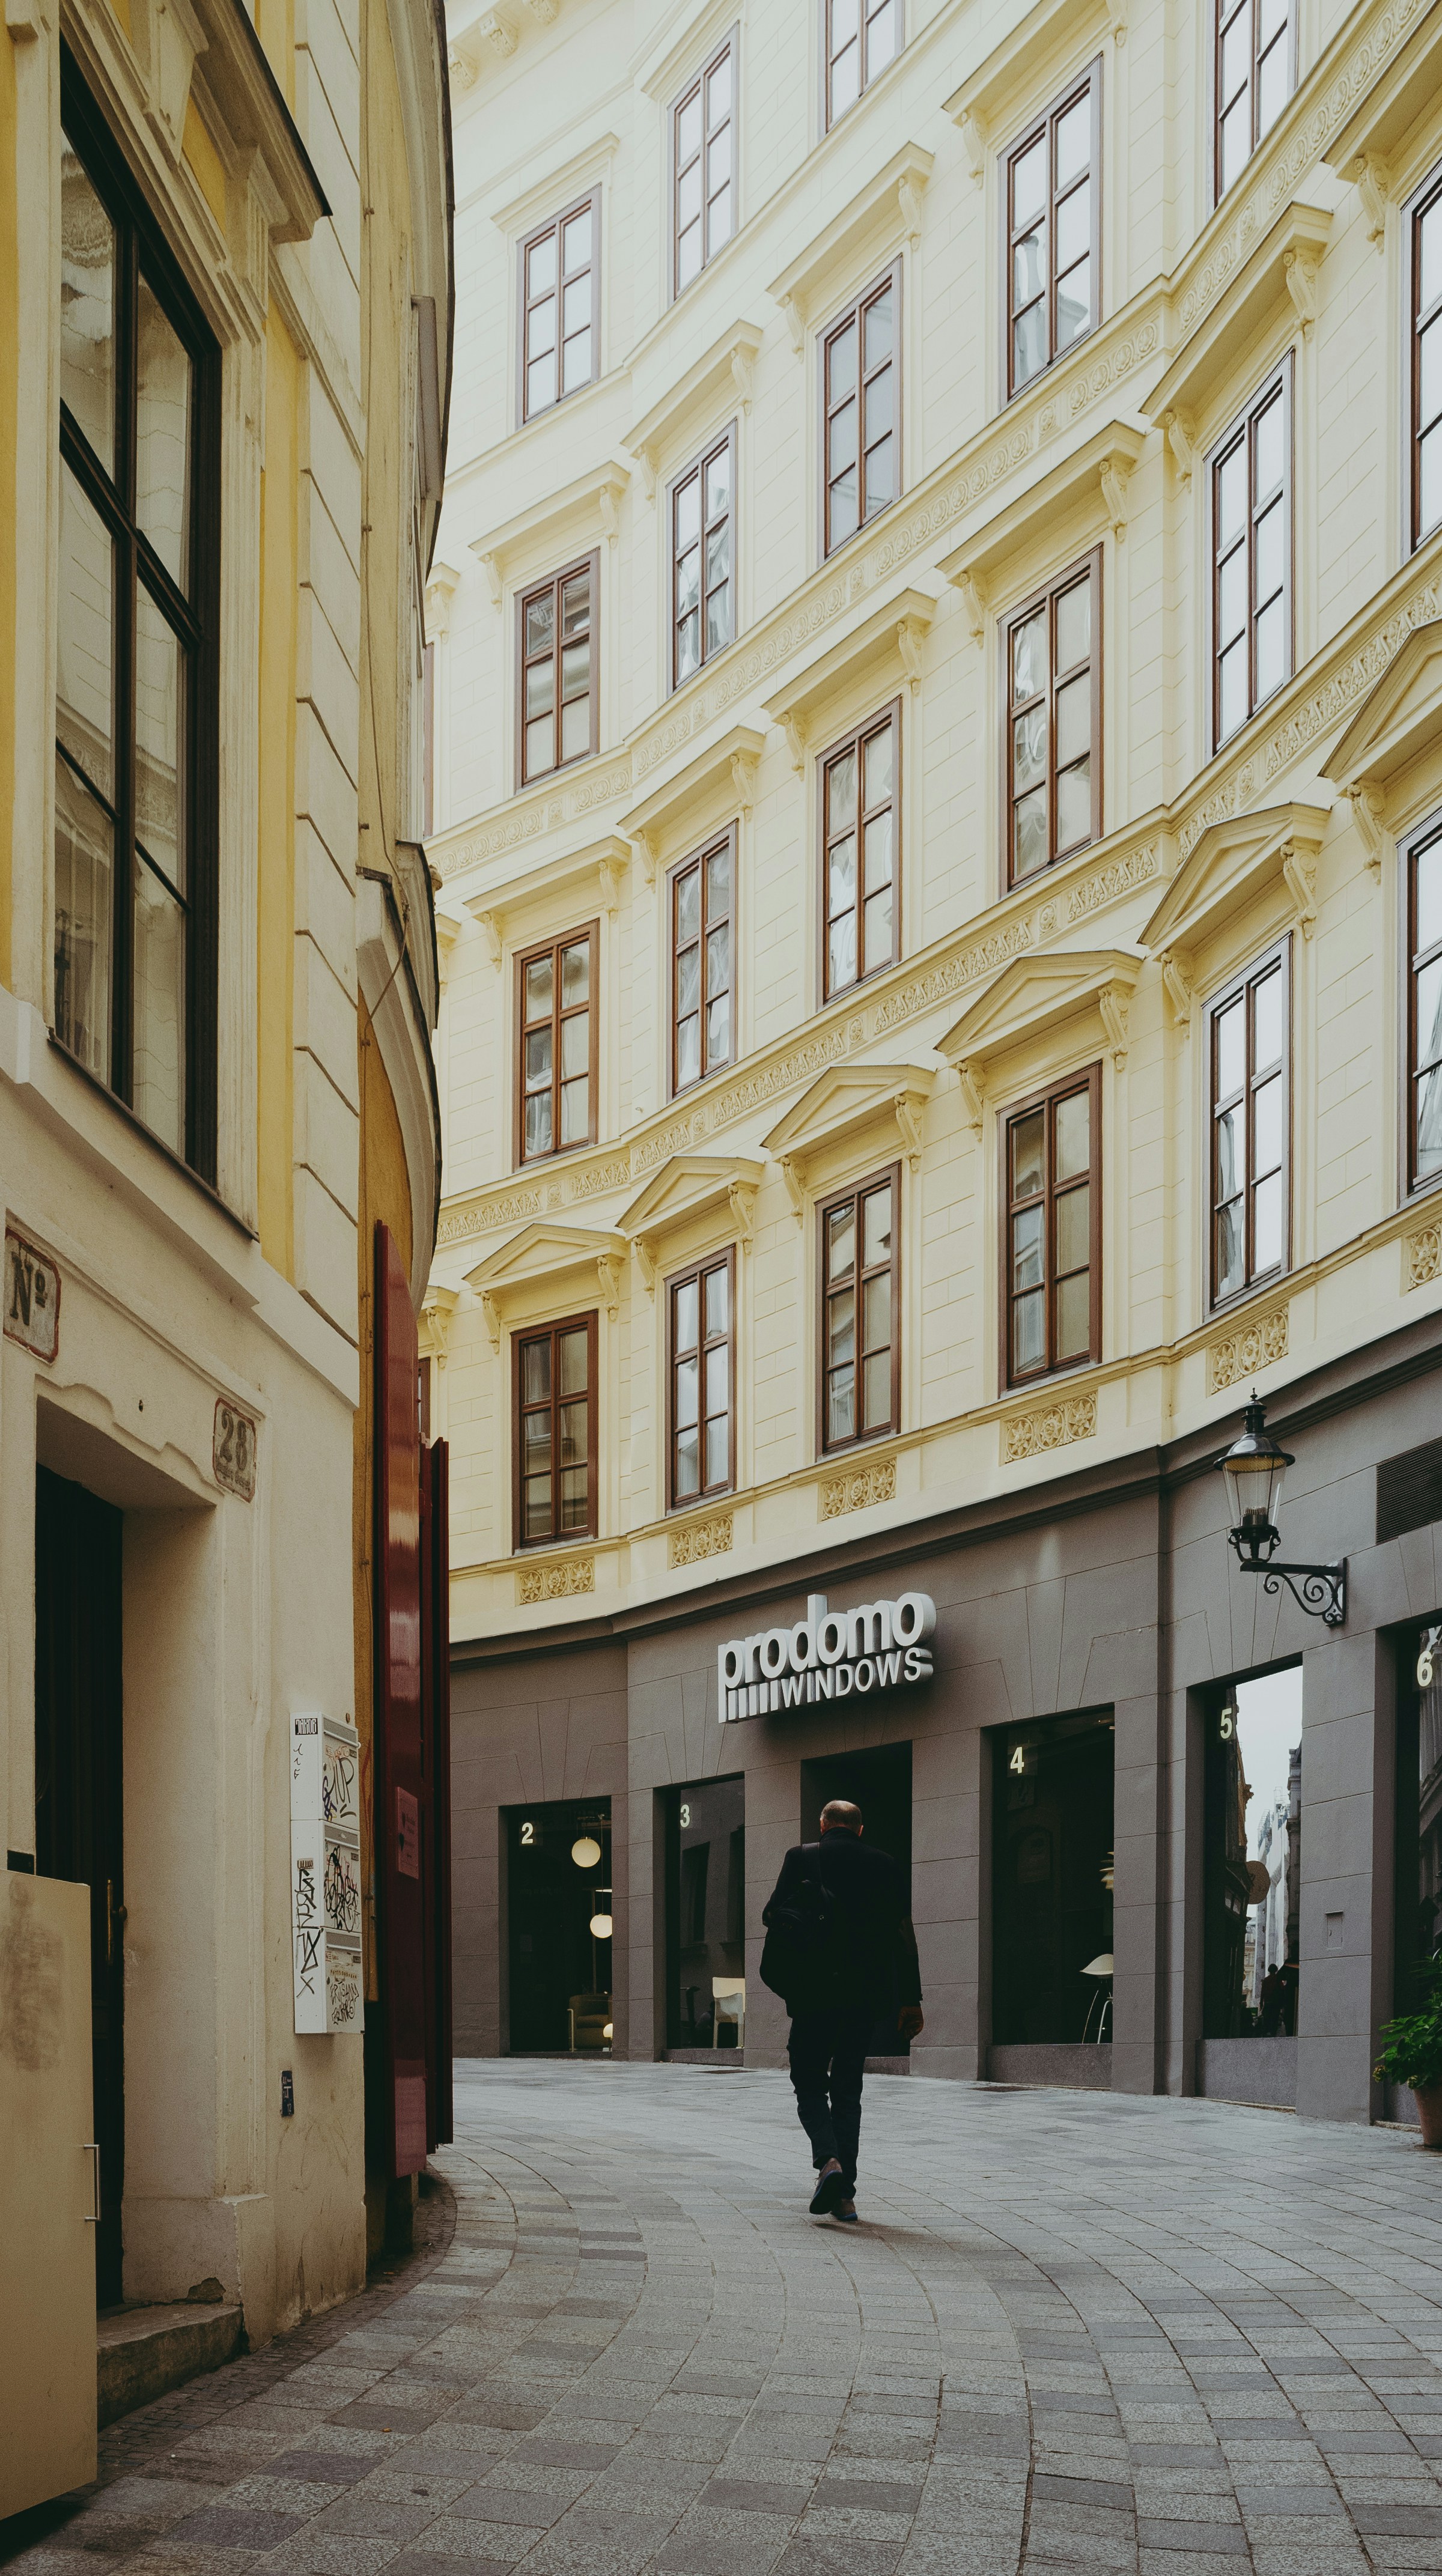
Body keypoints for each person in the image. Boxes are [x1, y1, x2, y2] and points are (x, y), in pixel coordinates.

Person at [762, 1797, 922, 2223]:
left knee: (808, 2080)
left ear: (823, 1825)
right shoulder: (886, 1864)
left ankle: (828, 2162)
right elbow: (903, 1934)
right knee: (848, 2090)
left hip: (815, 1996)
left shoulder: (802, 1858)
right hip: (864, 1999)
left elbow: (775, 1917)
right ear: (860, 1830)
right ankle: (844, 2194)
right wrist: (912, 1999)